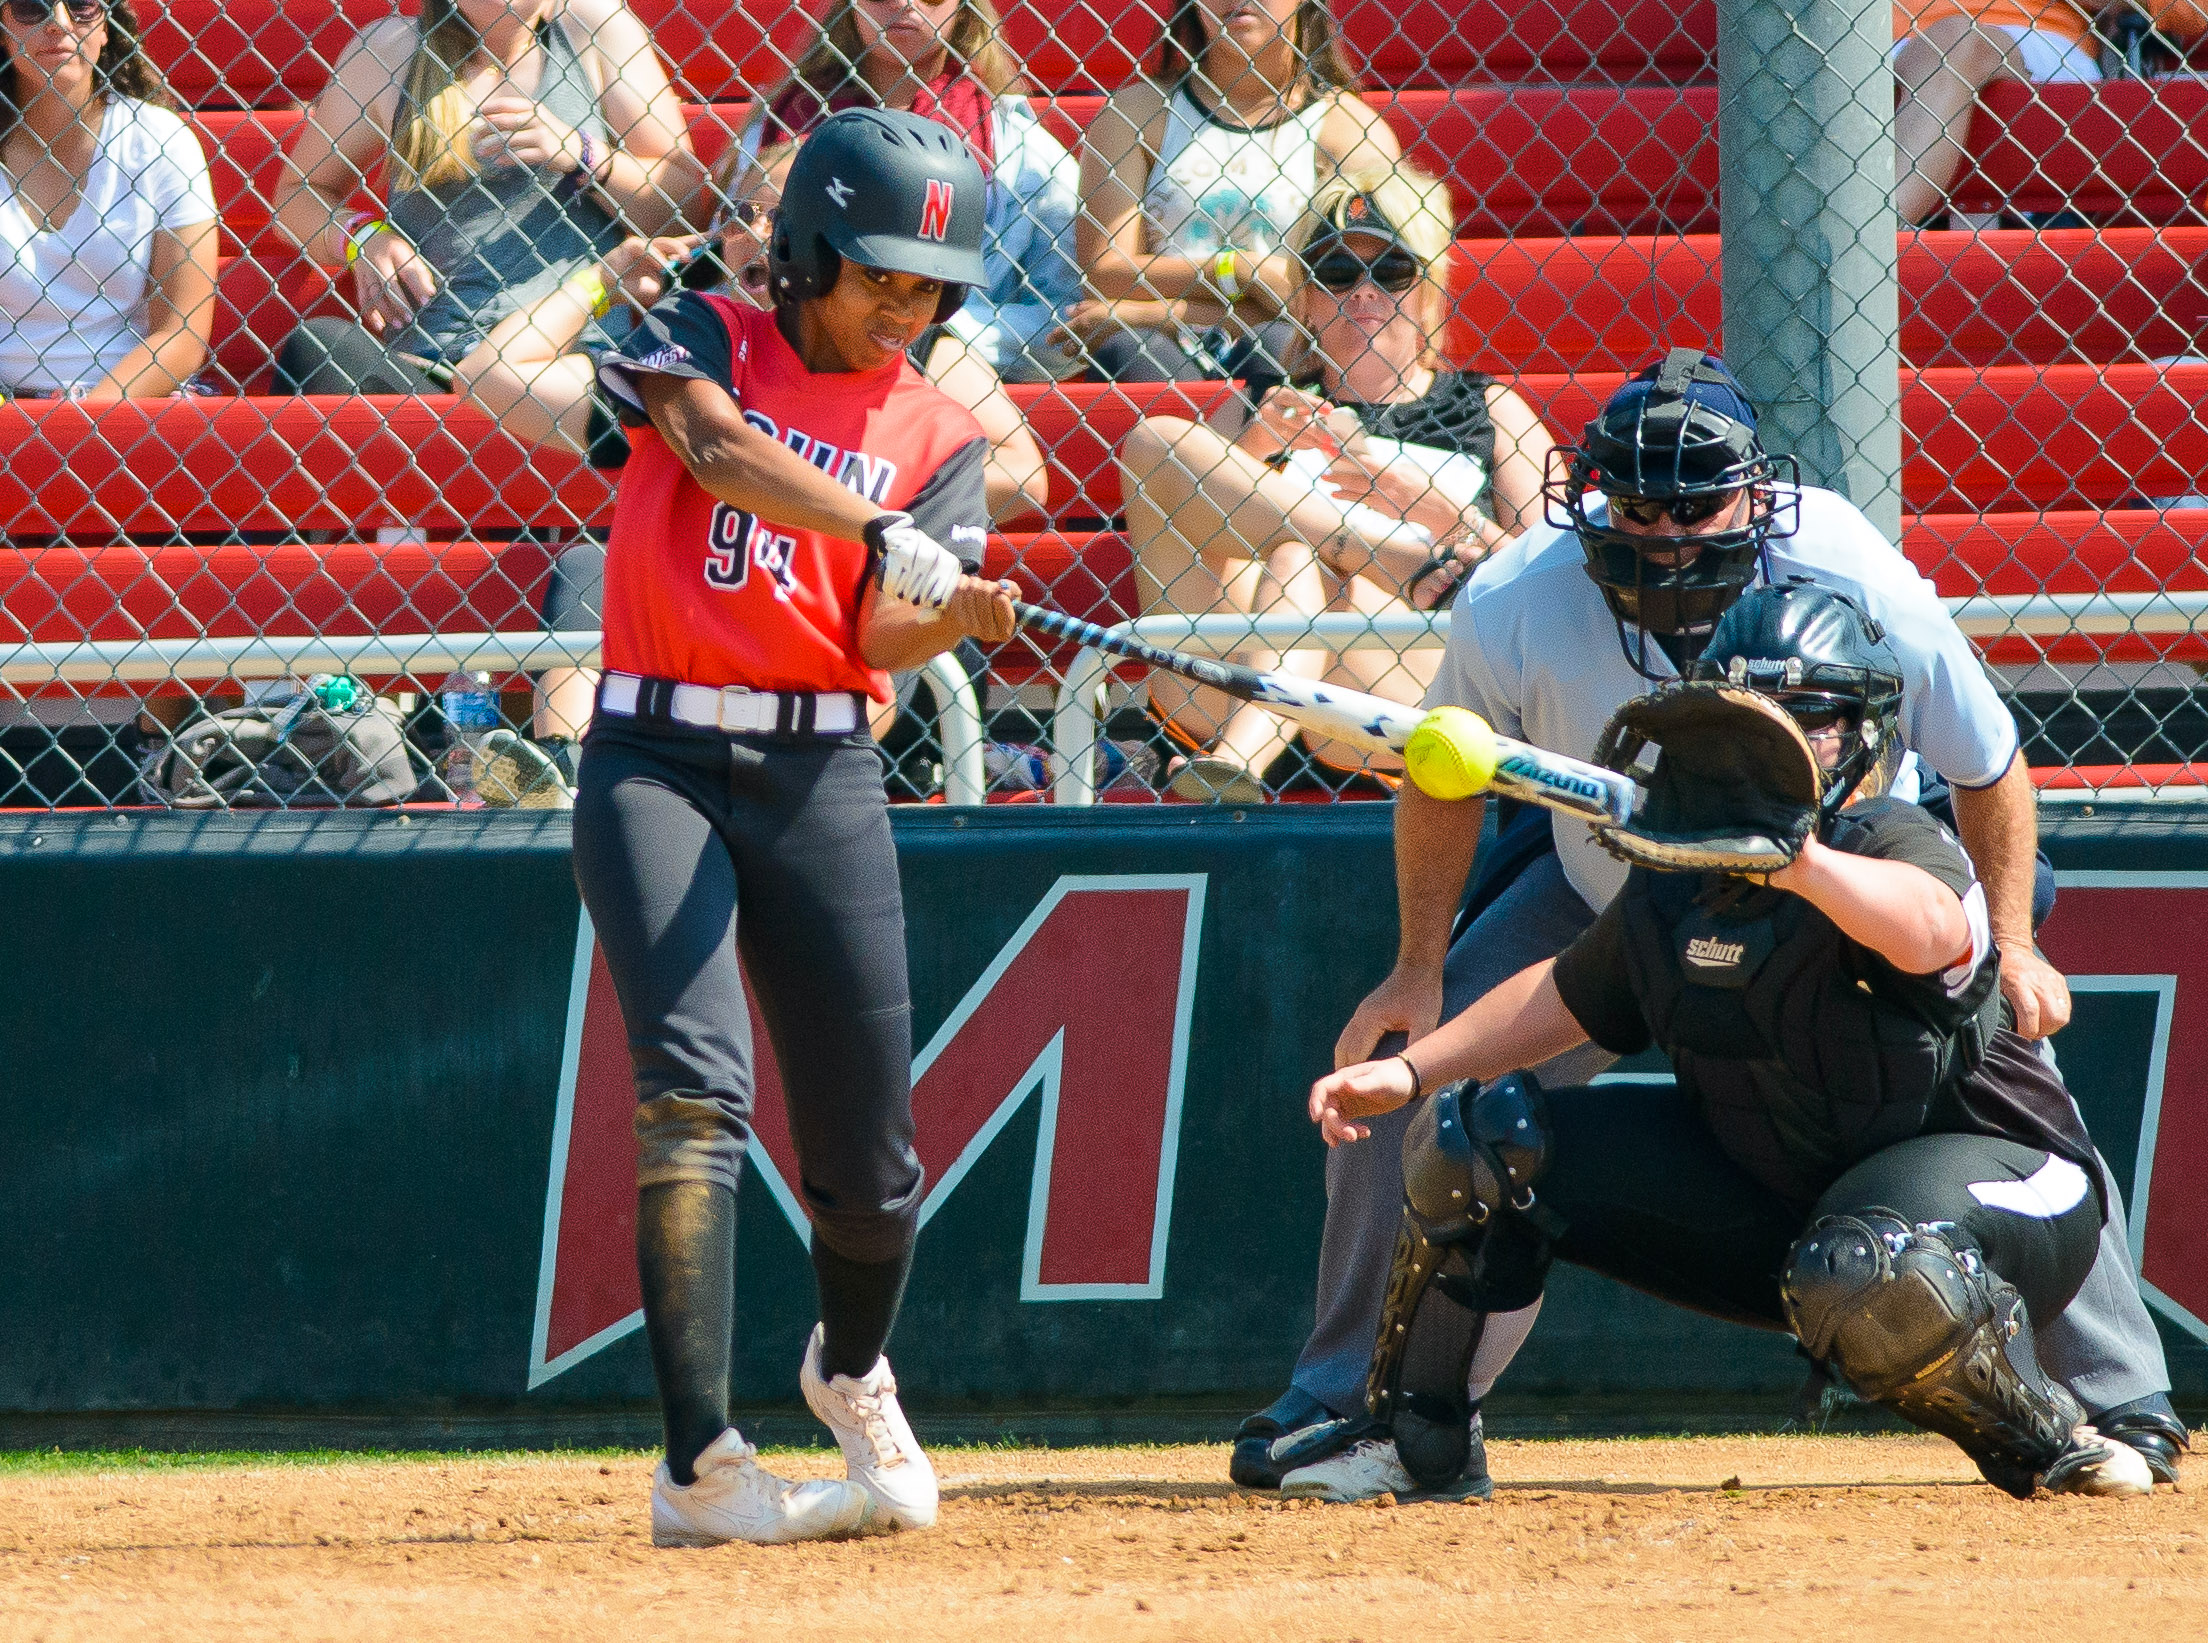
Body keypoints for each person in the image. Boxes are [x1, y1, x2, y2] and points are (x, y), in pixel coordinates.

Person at [1231, 351, 2188, 1497]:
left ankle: (2119, 1402)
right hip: (1623, 882)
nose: (1667, 533)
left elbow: (1984, 763)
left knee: (1996, 1072)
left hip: (1847, 884)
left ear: (1754, 497)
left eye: (1696, 505)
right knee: (1435, 1101)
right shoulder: (1517, 594)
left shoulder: (1842, 566)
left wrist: (2002, 942)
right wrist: (1414, 975)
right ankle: (1367, 1410)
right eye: (1637, 506)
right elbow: (1446, 785)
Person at [574, 107, 1018, 1546]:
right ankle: (699, 1465)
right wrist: (871, 521)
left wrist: (949, 601)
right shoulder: (696, 328)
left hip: (819, 768)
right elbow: (706, 452)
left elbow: (885, 628)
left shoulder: (942, 433)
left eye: (927, 289)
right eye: (878, 273)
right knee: (692, 1087)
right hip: (652, 752)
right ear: (808, 249)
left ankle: (850, 1366)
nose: (904, 306)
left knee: (871, 1156)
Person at [453, 137, 1048, 753]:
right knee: (586, 568)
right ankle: (565, 764)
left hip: (842, 653)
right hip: (697, 648)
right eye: (744, 212)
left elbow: (1021, 471)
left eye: (782, 211)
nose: (762, 230)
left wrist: (880, 521)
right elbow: (487, 373)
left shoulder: (910, 348)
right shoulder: (692, 343)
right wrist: (602, 282)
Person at [1117, 166, 1554, 801]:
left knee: (1307, 555)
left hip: (1408, 692)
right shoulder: (1256, 407)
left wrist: (1429, 509)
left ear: (1428, 293)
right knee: (1157, 442)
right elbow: (1187, 530)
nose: (1363, 293)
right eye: (1338, 275)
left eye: (1392, 273)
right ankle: (1370, 560)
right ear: (1306, 301)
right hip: (1226, 671)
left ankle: (1240, 758)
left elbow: (1553, 581)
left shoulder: (1491, 411)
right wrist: (1254, 451)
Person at [270, 0, 699, 395]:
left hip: (567, 364)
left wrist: (583, 154)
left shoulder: (594, 29)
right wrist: (361, 236)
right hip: (428, 367)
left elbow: (689, 205)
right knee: (318, 348)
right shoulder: (391, 48)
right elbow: (295, 195)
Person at [737, 0, 1078, 384]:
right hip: (778, 353)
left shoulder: (1019, 144)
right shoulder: (777, 120)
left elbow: (1066, 315)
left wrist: (933, 337)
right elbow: (728, 258)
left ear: (965, 8)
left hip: (944, 374)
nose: (903, 3)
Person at [1063, 0, 1401, 381]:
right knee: (1130, 350)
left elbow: (1331, 306)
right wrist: (1241, 270)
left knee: (1276, 345)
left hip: (1286, 349)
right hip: (1156, 350)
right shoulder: (1136, 113)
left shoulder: (1350, 131)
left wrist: (1146, 311)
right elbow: (1105, 273)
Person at [0, 0, 213, 400]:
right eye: (32, 7)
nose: (59, 23)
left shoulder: (159, 140)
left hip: (131, 399)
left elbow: (181, 333)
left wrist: (86, 424)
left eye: (82, 6)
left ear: (106, 27)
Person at [1892, 0, 2208, 227]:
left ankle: (1872, 231)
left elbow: (2191, 11)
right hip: (1877, 36)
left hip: (2031, 33)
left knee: (1955, 42)